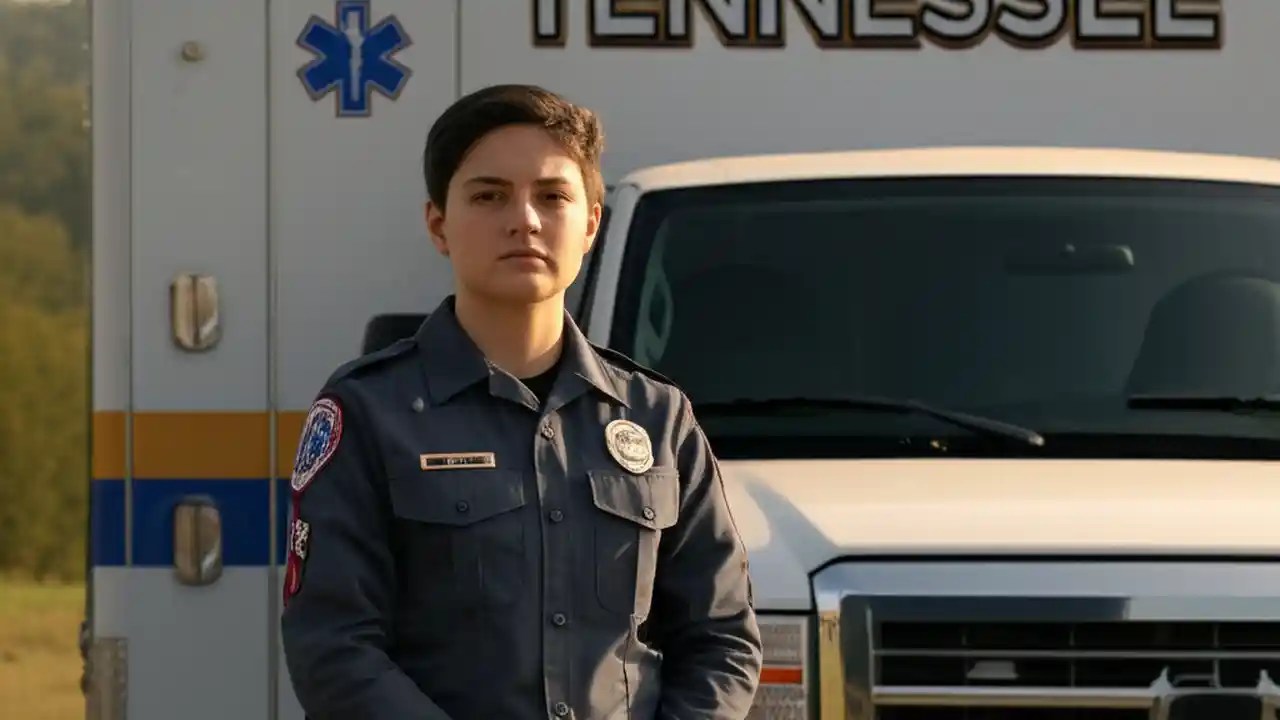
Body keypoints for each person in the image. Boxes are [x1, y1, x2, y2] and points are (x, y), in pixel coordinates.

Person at [279, 83, 763, 720]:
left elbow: (721, 639)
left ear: (590, 224)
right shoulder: (369, 412)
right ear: (438, 225)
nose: (524, 219)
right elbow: (334, 648)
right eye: (489, 195)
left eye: (552, 196)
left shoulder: (657, 417)